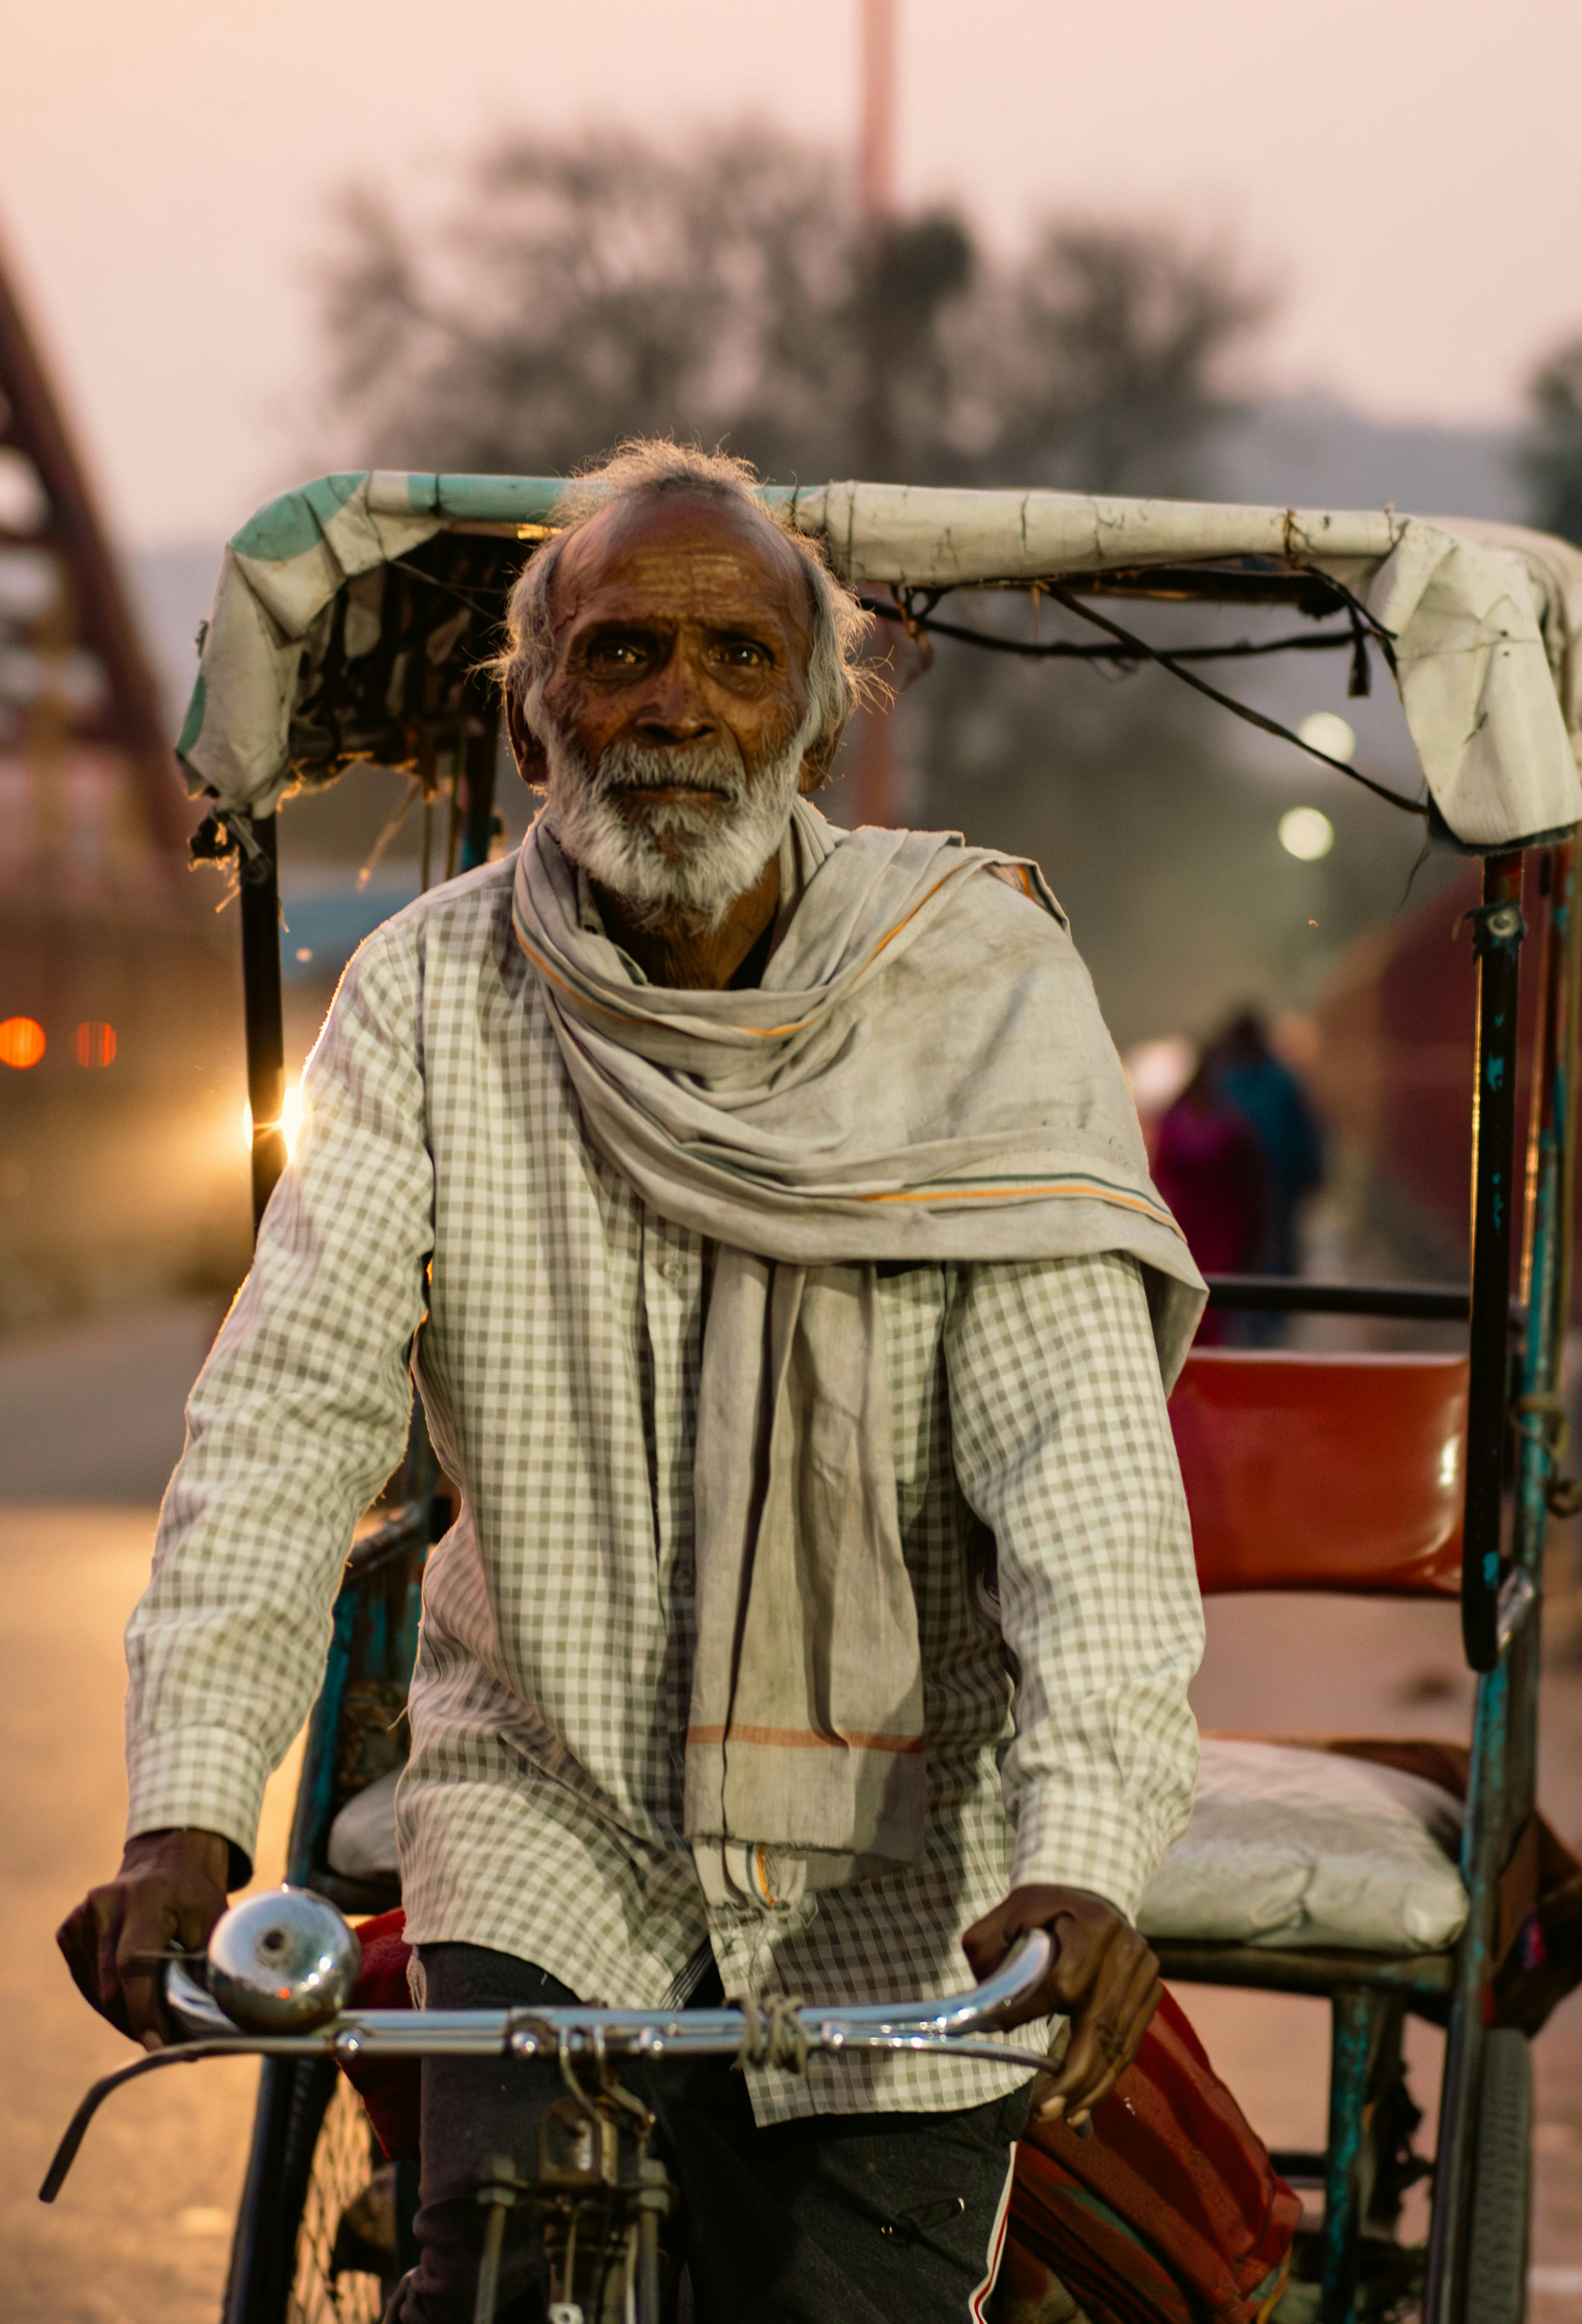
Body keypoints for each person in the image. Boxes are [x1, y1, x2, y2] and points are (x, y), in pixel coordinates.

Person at [56, 443, 1208, 2322]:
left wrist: (1084, 1861)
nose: (679, 703)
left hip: (906, 1863)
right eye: (620, 657)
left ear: (820, 737)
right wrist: (183, 1812)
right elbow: (286, 1416)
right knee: (495, 2280)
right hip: (551, 1805)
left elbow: (1074, 1459)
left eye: (741, 661)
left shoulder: (977, 981)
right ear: (533, 727)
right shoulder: (429, 998)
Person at [1151, 1056, 1272, 1345]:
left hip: (1191, 1234)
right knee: (1211, 1312)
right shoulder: (1234, 1129)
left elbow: (1159, 1178)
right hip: (1216, 1236)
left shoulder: (1177, 1125)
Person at [1207, 1011, 1323, 1280]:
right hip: (1253, 1183)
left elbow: (1302, 1131)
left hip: (1271, 1181)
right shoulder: (1277, 1079)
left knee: (1272, 1248)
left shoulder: (1230, 1080)